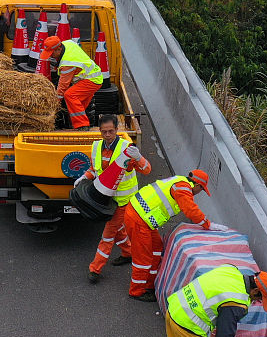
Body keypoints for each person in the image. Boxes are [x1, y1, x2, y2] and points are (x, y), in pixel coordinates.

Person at [124, 170, 229, 301]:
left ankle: (149, 283)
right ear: (197, 185)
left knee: (157, 249)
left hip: (141, 216)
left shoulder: (180, 181)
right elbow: (190, 209)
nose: (198, 193)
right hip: (139, 219)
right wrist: (208, 224)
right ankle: (136, 291)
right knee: (143, 258)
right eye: (201, 190)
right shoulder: (183, 188)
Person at [81, 114, 152, 283]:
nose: (107, 135)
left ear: (117, 129)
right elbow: (94, 169)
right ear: (99, 131)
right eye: (104, 131)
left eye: (111, 131)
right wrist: (84, 177)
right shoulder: (96, 147)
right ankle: (128, 253)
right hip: (105, 199)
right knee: (119, 230)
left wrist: (138, 157)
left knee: (108, 235)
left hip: (122, 201)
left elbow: (147, 169)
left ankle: (95, 269)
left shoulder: (126, 148)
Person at [39, 35, 103, 129]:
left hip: (91, 80)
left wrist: (56, 102)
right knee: (78, 106)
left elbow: (63, 86)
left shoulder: (68, 64)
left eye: (52, 53)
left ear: (59, 49)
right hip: (91, 77)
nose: (51, 56)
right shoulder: (68, 43)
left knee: (69, 95)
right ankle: (79, 123)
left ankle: (82, 125)